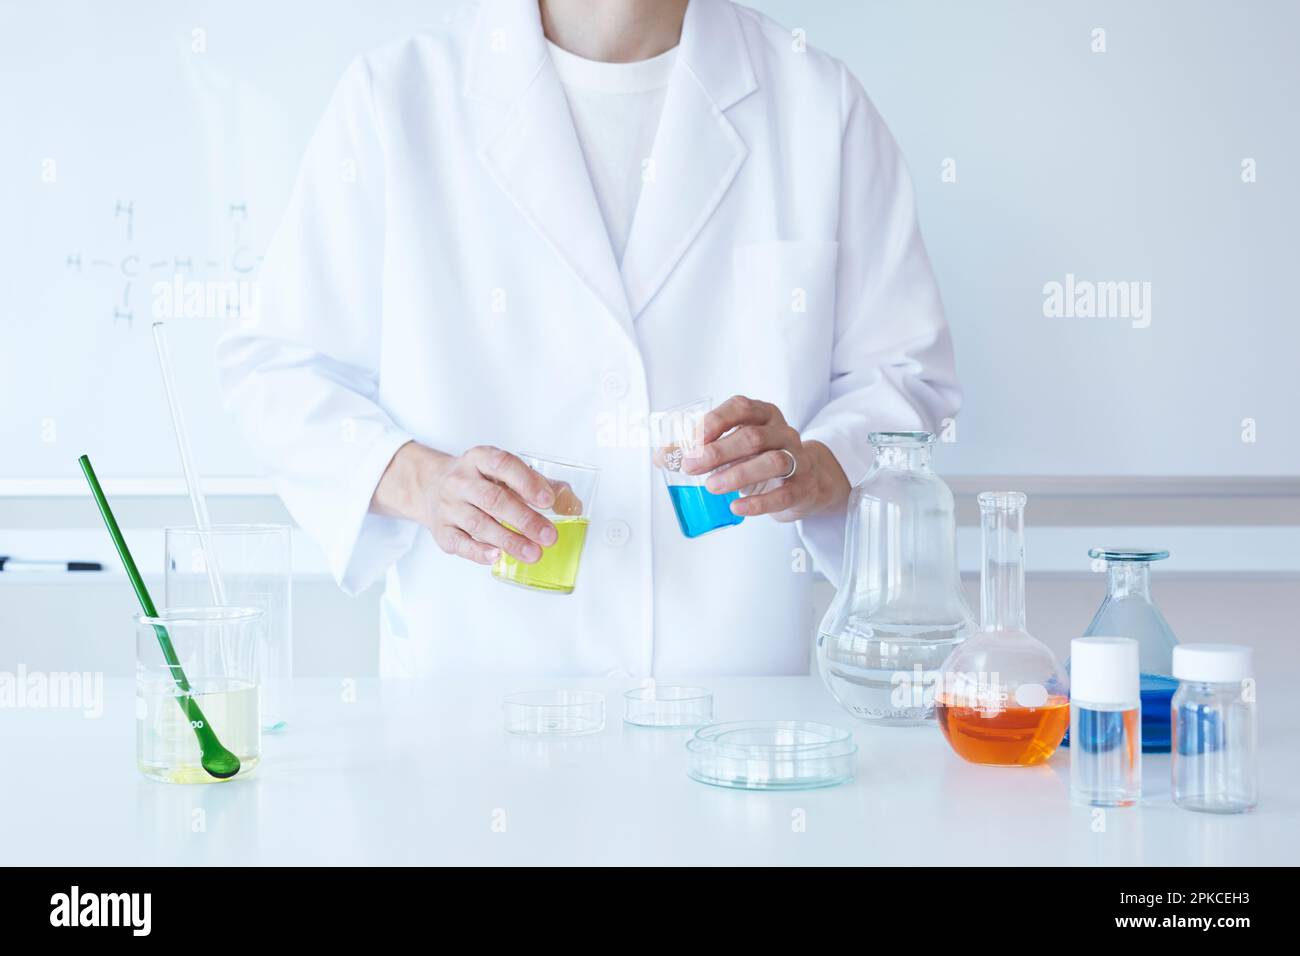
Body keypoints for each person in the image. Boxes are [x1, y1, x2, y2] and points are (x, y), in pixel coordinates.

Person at [218, 0, 961, 678]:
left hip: (733, 708)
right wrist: (427, 484)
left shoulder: (817, 105)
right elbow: (277, 376)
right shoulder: (397, 98)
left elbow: (906, 380)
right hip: (472, 699)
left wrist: (822, 464)